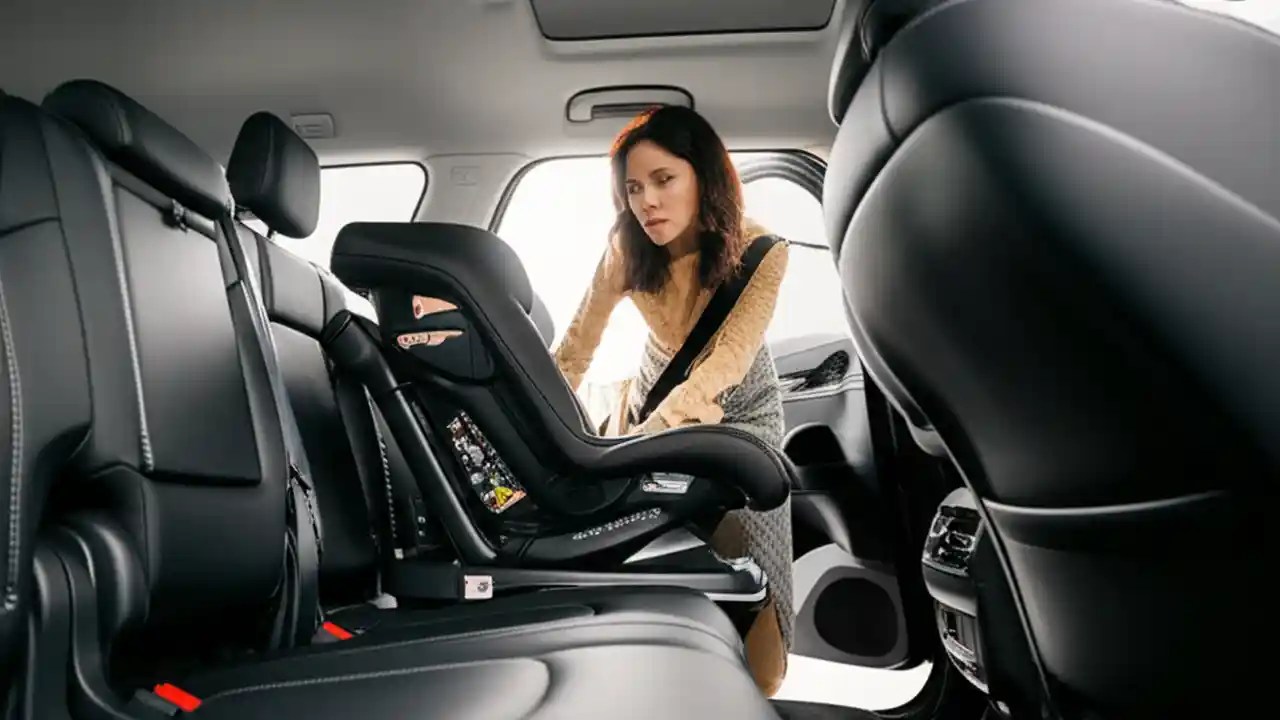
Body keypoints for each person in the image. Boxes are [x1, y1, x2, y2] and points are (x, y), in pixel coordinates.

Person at [552, 105, 794, 696]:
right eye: (634, 188)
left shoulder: (762, 250)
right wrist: (538, 425)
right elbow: (576, 349)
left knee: (759, 627)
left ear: (704, 177)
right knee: (652, 560)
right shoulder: (626, 247)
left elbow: (725, 364)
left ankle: (753, 687)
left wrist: (649, 443)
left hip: (741, 410)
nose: (647, 202)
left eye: (664, 179)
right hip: (654, 395)